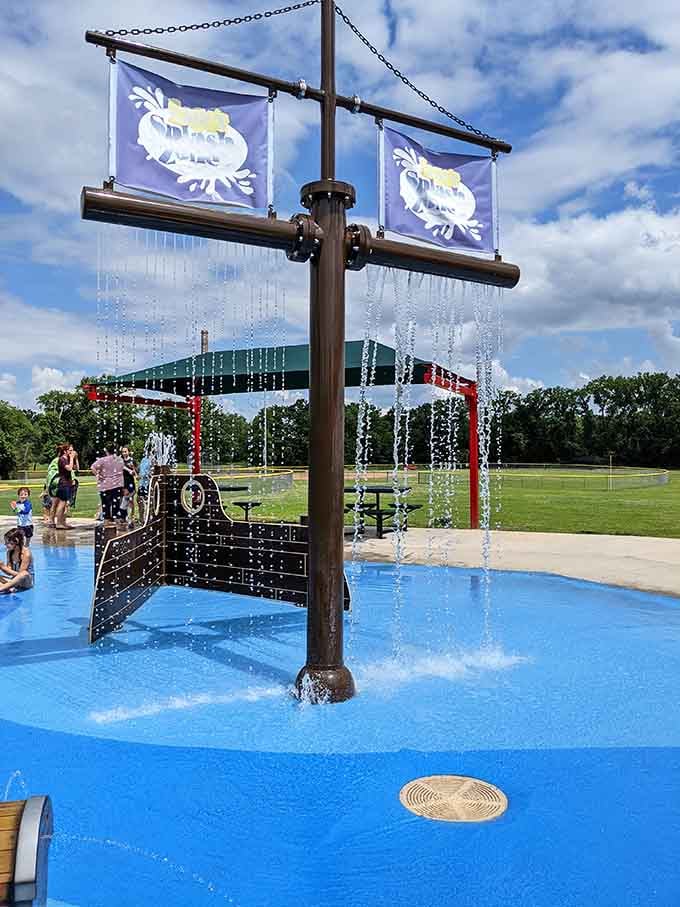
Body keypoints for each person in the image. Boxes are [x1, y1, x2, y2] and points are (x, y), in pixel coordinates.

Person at [91, 446, 124, 526]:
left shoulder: (103, 460)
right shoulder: (120, 459)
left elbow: (92, 467)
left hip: (105, 485)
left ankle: (107, 522)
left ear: (106, 450)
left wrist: (98, 475)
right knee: (116, 504)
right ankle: (117, 521)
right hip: (118, 485)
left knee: (106, 504)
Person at [49, 443, 78, 530]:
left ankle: (62, 522)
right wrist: (72, 458)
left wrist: (75, 459)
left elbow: (76, 468)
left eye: (72, 450)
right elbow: (69, 468)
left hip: (67, 484)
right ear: (65, 451)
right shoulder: (62, 459)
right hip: (63, 484)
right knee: (61, 504)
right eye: (70, 450)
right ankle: (58, 523)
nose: (72, 452)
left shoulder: (68, 459)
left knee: (64, 504)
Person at [0, 528, 35, 594]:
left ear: (16, 541)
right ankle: (9, 588)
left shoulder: (26, 553)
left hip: (26, 583)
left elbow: (20, 575)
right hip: (14, 581)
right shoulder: (9, 552)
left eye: (7, 543)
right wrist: (2, 567)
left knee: (24, 573)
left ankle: (3, 588)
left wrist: (3, 567)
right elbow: (9, 572)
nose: (5, 545)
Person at [120, 446, 138, 525]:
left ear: (129, 452)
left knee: (130, 500)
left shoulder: (132, 460)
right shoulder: (120, 460)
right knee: (124, 500)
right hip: (122, 483)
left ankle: (131, 517)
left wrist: (134, 471)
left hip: (130, 484)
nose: (124, 453)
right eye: (123, 452)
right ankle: (125, 517)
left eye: (125, 451)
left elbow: (136, 472)